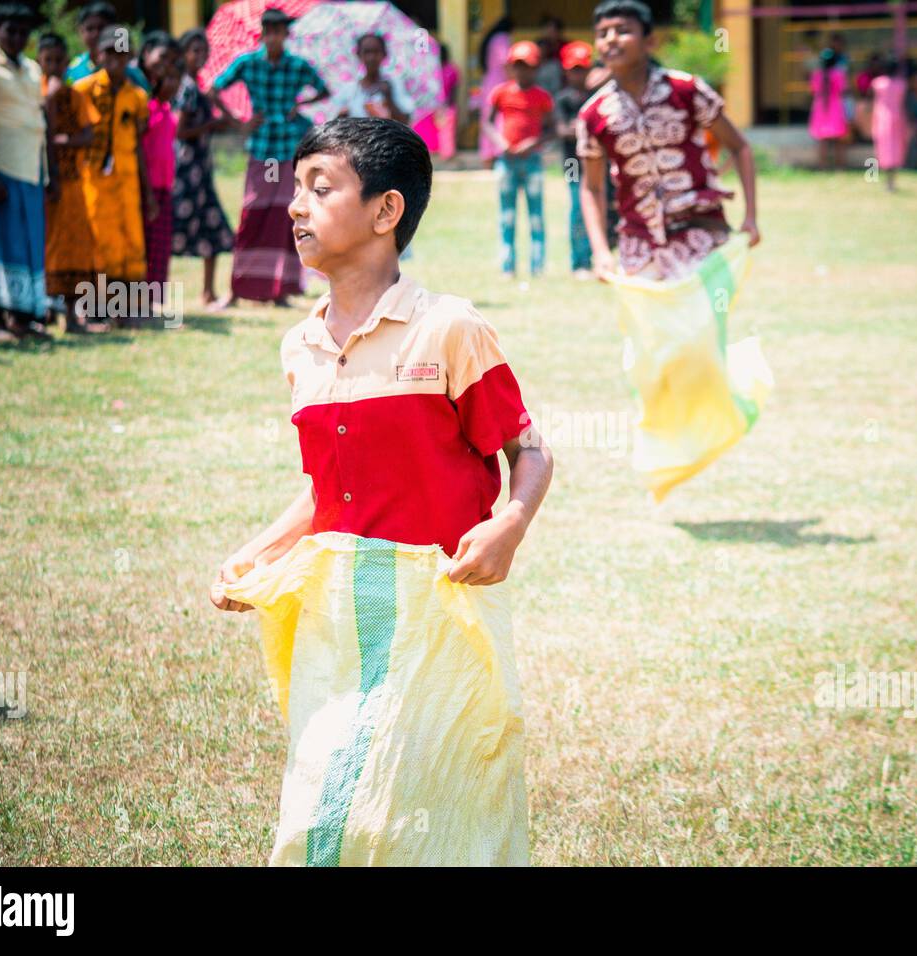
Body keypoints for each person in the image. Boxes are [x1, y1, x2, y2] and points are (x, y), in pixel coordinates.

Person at [210, 118, 553, 864]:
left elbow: (527, 449)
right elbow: (326, 492)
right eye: (295, 189)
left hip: (441, 607)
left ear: (385, 211)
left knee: (429, 796)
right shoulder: (298, 347)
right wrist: (258, 553)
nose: (296, 206)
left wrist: (511, 524)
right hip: (337, 609)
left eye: (319, 188)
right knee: (325, 797)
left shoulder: (448, 329)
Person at [577, 0, 758, 280]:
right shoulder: (593, 114)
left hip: (702, 236)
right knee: (649, 323)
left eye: (623, 30)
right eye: (603, 33)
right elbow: (592, 187)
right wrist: (600, 252)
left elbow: (739, 146)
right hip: (639, 245)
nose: (611, 39)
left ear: (649, 42)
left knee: (701, 322)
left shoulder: (686, 90)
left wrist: (750, 217)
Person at [211, 7, 329, 307]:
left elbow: (324, 89)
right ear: (262, 34)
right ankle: (237, 290)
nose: (275, 37)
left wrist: (299, 104)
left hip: (288, 149)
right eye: (270, 31)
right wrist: (238, 121)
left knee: (284, 216)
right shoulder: (248, 63)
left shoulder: (297, 65)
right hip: (263, 150)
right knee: (253, 215)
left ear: (286, 35)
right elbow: (214, 89)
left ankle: (281, 290)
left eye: (280, 31)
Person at [0, 3, 51, 342]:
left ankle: (23, 319)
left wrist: (47, 175)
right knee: (2, 244)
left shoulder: (33, 70)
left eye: (24, 32)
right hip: (1, 171)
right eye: (11, 31)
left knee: (29, 245)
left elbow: (38, 122)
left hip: (31, 171)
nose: (18, 38)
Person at [77, 25, 153, 327]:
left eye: (122, 55)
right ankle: (94, 309)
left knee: (130, 242)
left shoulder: (137, 97)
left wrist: (147, 192)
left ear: (130, 57)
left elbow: (139, 144)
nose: (116, 61)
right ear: (99, 54)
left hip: (128, 181)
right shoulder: (83, 90)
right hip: (94, 180)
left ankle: (128, 310)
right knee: (98, 242)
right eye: (110, 54)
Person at [38, 31, 105, 334]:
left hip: (73, 185)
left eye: (58, 61)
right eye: (47, 60)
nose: (53, 66)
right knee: (46, 248)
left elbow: (88, 135)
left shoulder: (76, 96)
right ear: (39, 61)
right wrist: (49, 100)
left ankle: (73, 316)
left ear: (66, 63)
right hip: (42, 184)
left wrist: (64, 139)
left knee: (76, 249)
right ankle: (41, 313)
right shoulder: (34, 94)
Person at [171, 28, 235, 310]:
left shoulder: (200, 86)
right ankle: (155, 292)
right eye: (194, 50)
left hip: (201, 168)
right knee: (172, 228)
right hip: (185, 169)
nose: (200, 56)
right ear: (183, 54)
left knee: (213, 226)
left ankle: (208, 291)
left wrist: (216, 103)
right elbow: (180, 131)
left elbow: (232, 120)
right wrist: (211, 125)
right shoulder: (185, 86)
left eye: (203, 51)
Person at [486, 40, 553, 280]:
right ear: (510, 68)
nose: (522, 71)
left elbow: (551, 129)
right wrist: (500, 142)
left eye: (527, 66)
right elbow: (488, 122)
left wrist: (532, 144)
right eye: (517, 66)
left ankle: (537, 267)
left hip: (532, 161)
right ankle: (508, 267)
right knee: (507, 216)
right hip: (506, 160)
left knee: (536, 217)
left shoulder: (542, 97)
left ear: (536, 68)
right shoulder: (501, 93)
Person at [141, 32, 180, 300]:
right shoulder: (147, 107)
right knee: (146, 246)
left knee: (160, 247)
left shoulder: (167, 110)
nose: (172, 80)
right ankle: (138, 300)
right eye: (164, 63)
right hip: (147, 188)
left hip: (164, 187)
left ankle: (153, 301)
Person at [555, 39, 594, 278]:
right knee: (578, 210)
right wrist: (587, 128)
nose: (577, 74)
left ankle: (597, 256)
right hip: (573, 164)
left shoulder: (597, 95)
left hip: (596, 163)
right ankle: (579, 262)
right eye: (573, 70)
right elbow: (561, 130)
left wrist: (576, 127)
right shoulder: (562, 99)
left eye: (582, 69)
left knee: (605, 210)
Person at [330, 33, 413, 124]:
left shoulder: (394, 85)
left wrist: (389, 99)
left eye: (376, 51)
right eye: (367, 52)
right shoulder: (349, 90)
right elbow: (334, 123)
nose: (372, 57)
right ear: (358, 55)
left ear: (384, 54)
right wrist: (341, 117)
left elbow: (405, 122)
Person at [65, 1, 148, 92]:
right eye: (90, 28)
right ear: (81, 31)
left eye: (101, 27)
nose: (95, 34)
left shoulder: (132, 73)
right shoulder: (73, 69)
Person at [475, 15, 511, 167]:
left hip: (488, 84)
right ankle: (497, 155)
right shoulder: (502, 38)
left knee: (487, 121)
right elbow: (506, 63)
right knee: (498, 121)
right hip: (499, 84)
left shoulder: (491, 38)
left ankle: (487, 159)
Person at [809, 46, 848, 171]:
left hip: (820, 109)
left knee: (822, 140)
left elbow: (813, 90)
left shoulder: (816, 75)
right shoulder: (838, 75)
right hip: (835, 107)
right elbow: (843, 90)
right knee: (838, 140)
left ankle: (822, 165)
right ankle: (839, 166)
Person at [870, 55, 906, 191]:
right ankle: (891, 182)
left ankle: (878, 178)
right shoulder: (901, 84)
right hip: (897, 118)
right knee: (895, 150)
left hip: (882, 118)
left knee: (881, 149)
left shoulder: (878, 83)